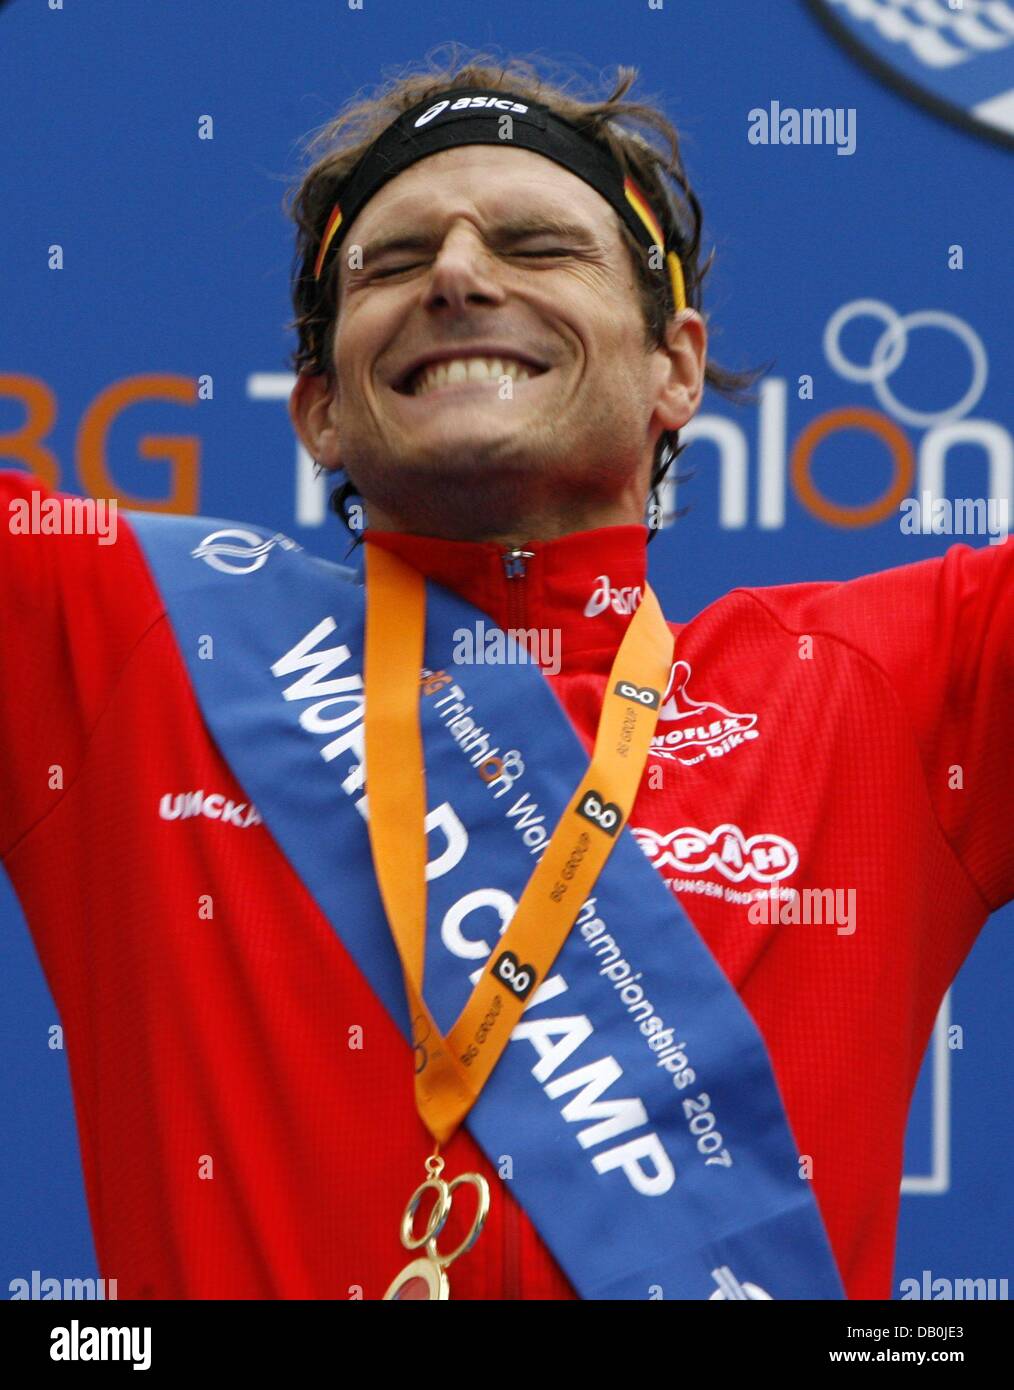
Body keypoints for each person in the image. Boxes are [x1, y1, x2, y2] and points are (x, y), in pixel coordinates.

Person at [1, 55, 1010, 1302]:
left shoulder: (896, 685)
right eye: (388, 263)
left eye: (538, 246)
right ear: (317, 407)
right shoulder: (124, 636)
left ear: (675, 370)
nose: (460, 277)